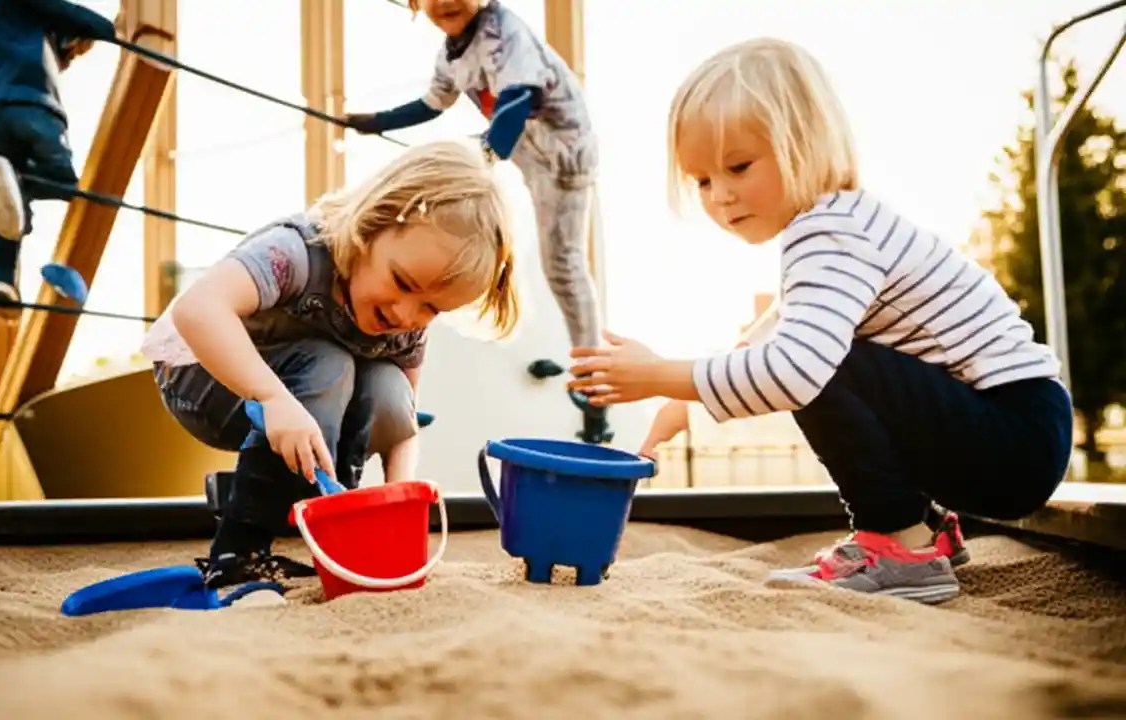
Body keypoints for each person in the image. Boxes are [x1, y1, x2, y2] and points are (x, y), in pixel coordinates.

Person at [568, 38, 1073, 605]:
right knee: (817, 354)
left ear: (803, 145)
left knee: (822, 365)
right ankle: (922, 530)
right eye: (703, 181)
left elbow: (795, 368)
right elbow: (767, 340)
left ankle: (898, 541)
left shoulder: (829, 232)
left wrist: (660, 373)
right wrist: (680, 406)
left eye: (738, 167)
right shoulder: (842, 225)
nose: (721, 196)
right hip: (1019, 429)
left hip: (1014, 437)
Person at [141, 140, 519, 589]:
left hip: (298, 395)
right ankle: (239, 549)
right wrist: (272, 398)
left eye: (432, 309)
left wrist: (401, 498)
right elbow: (196, 310)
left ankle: (333, 512)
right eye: (401, 282)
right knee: (329, 362)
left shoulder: (406, 321)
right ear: (369, 226)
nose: (406, 314)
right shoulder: (297, 252)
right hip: (198, 373)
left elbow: (402, 418)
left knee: (385, 383)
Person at [344, 0, 611, 444]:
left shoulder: (503, 30)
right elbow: (433, 103)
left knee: (562, 265)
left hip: (563, 156)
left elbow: (517, 99)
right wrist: (376, 122)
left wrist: (483, 156)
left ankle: (594, 382)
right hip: (528, 155)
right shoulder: (452, 52)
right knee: (536, 254)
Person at [0, 0, 121, 314]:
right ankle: (26, 190)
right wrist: (111, 30)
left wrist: (63, 45)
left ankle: (1, 277)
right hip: (29, 106)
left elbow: (16, 27)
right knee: (60, 177)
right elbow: (64, 12)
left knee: (9, 200)